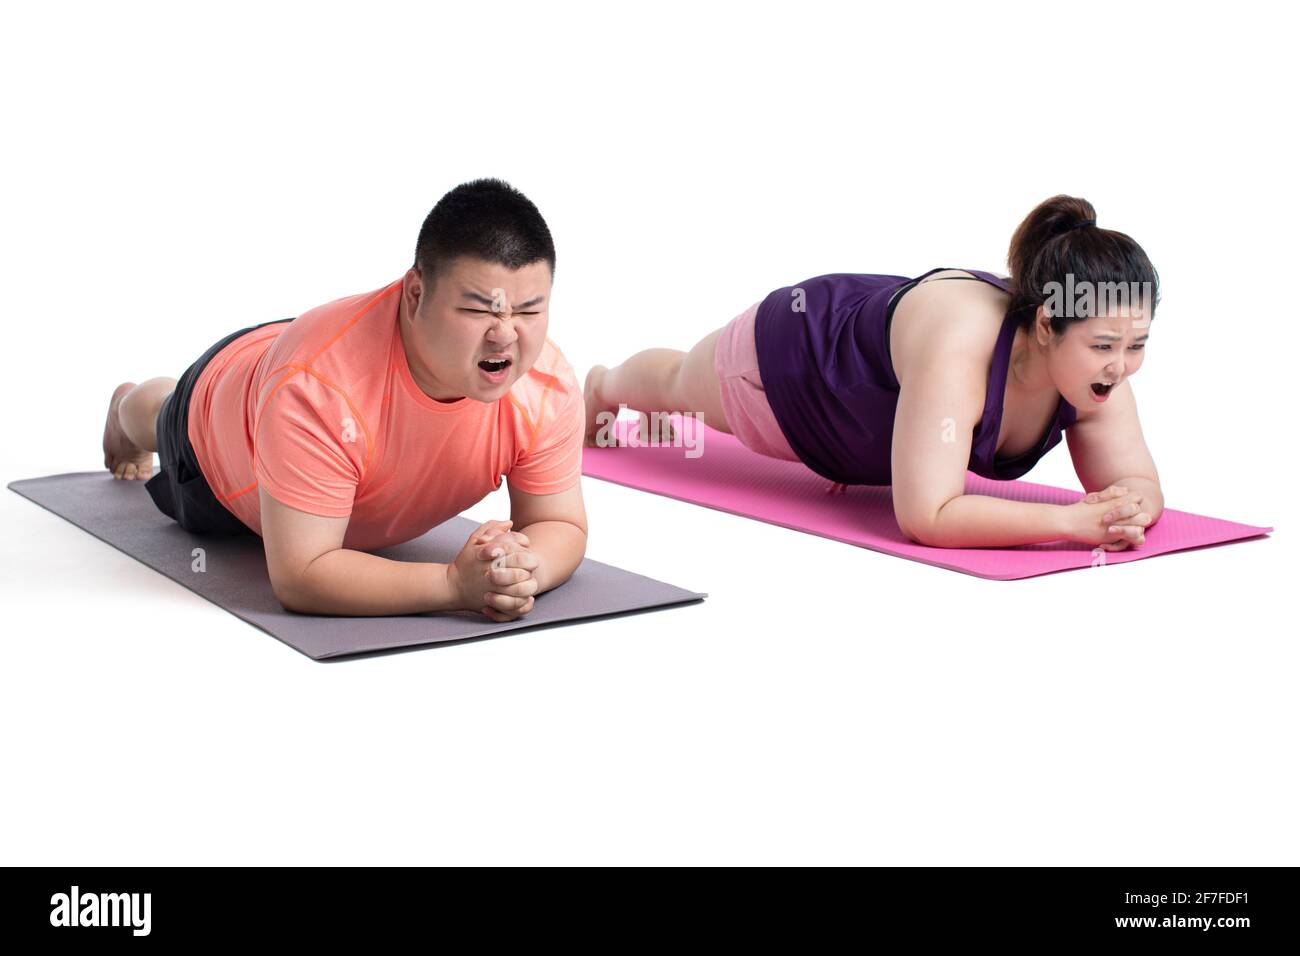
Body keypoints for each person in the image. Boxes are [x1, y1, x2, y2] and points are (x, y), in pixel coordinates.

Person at [102, 178, 587, 619]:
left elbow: (558, 522)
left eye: (528, 310)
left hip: (304, 357)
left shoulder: (544, 382)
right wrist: (453, 584)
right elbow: (302, 575)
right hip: (218, 419)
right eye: (478, 310)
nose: (506, 337)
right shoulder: (317, 390)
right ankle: (126, 411)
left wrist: (524, 569)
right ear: (415, 295)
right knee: (160, 412)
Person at [583, 195, 1162, 551]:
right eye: (1105, 344)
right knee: (679, 385)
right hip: (794, 360)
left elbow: (1138, 483)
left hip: (868, 391)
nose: (1121, 364)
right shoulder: (962, 347)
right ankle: (604, 384)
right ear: (1043, 325)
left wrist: (1125, 510)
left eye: (1137, 344)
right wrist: (1069, 523)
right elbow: (927, 515)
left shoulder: (1097, 374)